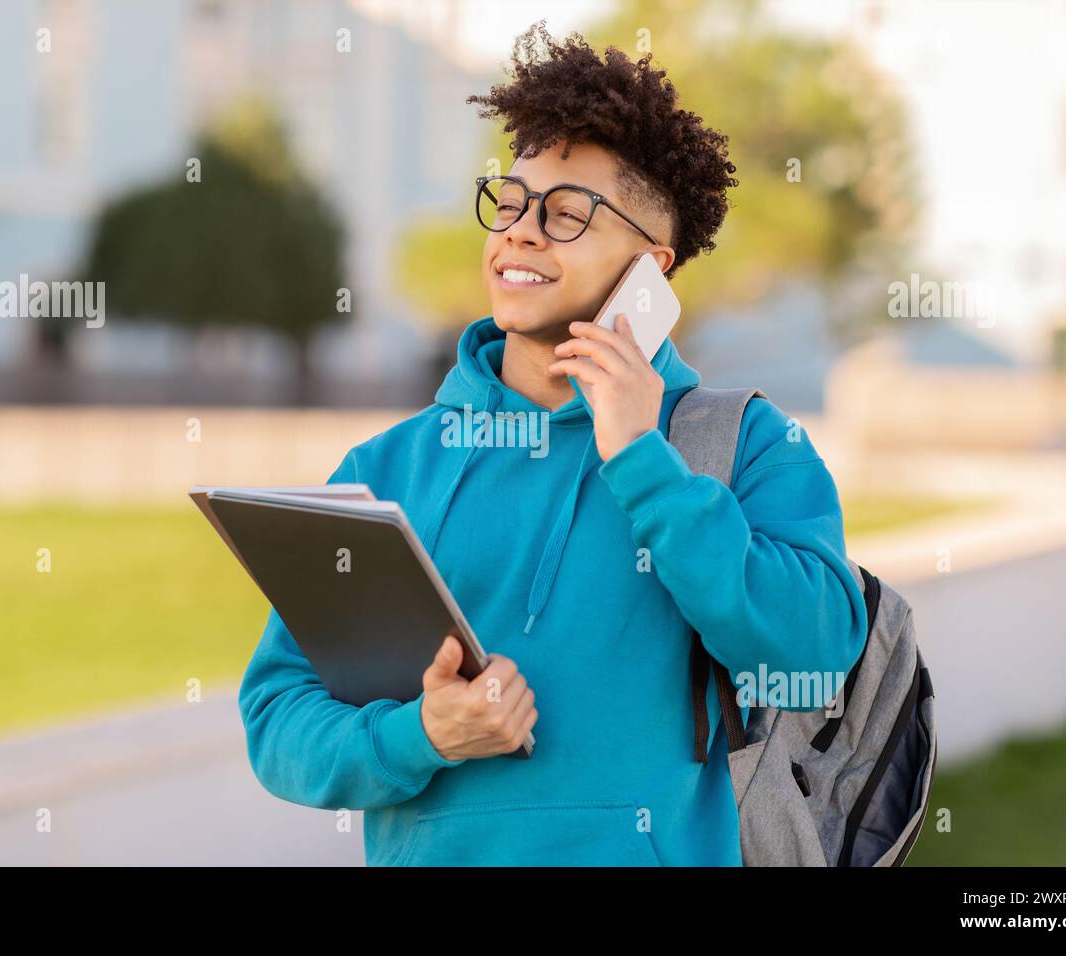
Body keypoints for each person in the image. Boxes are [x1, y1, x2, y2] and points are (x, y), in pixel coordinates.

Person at [238, 22, 867, 866]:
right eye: (511, 202)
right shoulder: (387, 470)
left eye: (569, 214)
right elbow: (279, 717)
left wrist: (645, 462)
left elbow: (814, 658)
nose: (520, 233)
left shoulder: (745, 443)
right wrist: (415, 736)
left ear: (653, 267)